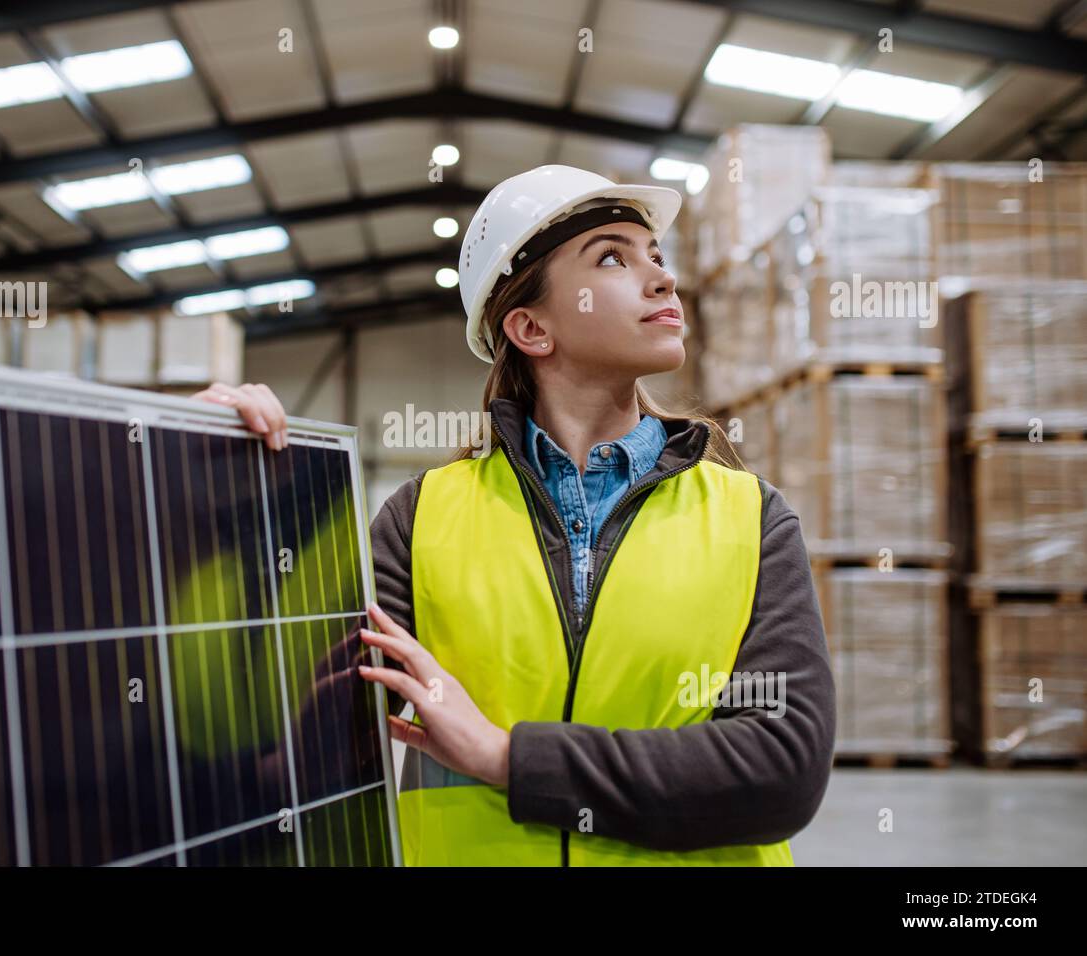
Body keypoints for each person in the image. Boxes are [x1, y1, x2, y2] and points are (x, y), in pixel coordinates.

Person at [195, 163, 836, 867]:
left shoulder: (750, 517)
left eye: (656, 256)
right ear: (531, 327)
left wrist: (509, 757)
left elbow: (783, 770)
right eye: (614, 258)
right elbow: (295, 751)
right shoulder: (422, 519)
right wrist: (229, 495)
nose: (664, 279)